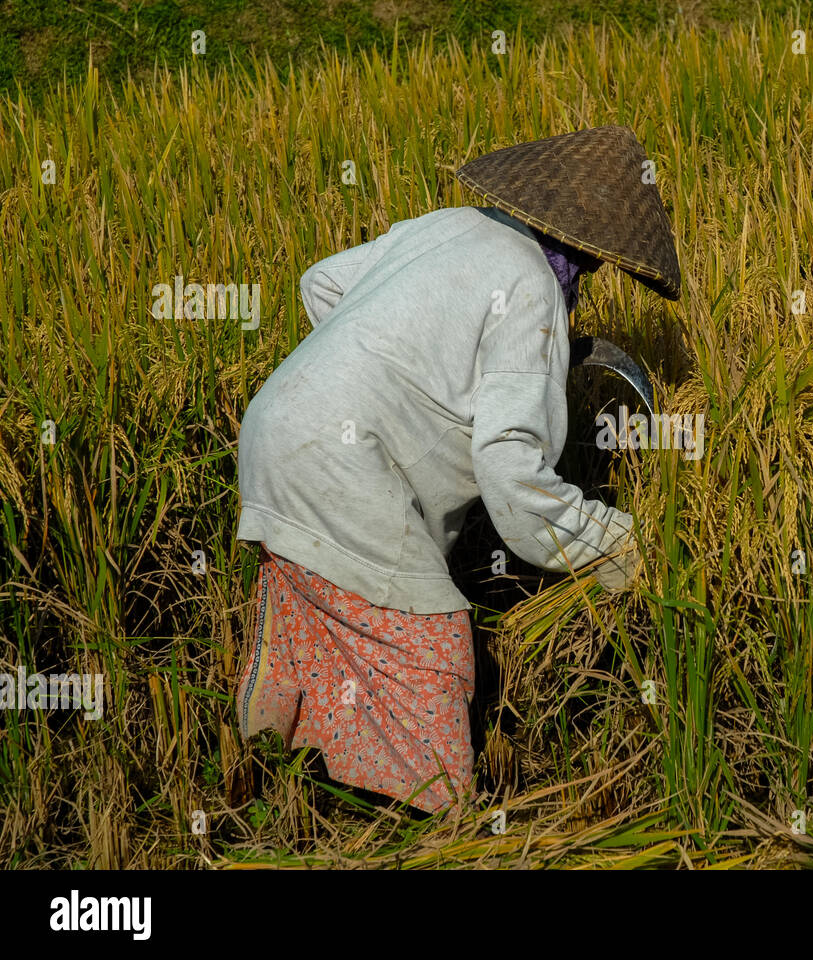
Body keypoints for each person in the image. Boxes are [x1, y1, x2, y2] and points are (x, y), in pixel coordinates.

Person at [233, 125, 681, 813]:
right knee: (435, 653)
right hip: (344, 469)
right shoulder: (532, 290)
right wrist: (621, 545)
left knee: (329, 623)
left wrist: (378, 377)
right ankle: (438, 826)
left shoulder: (450, 225)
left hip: (273, 429)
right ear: (593, 252)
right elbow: (516, 487)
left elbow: (320, 282)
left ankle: (290, 779)